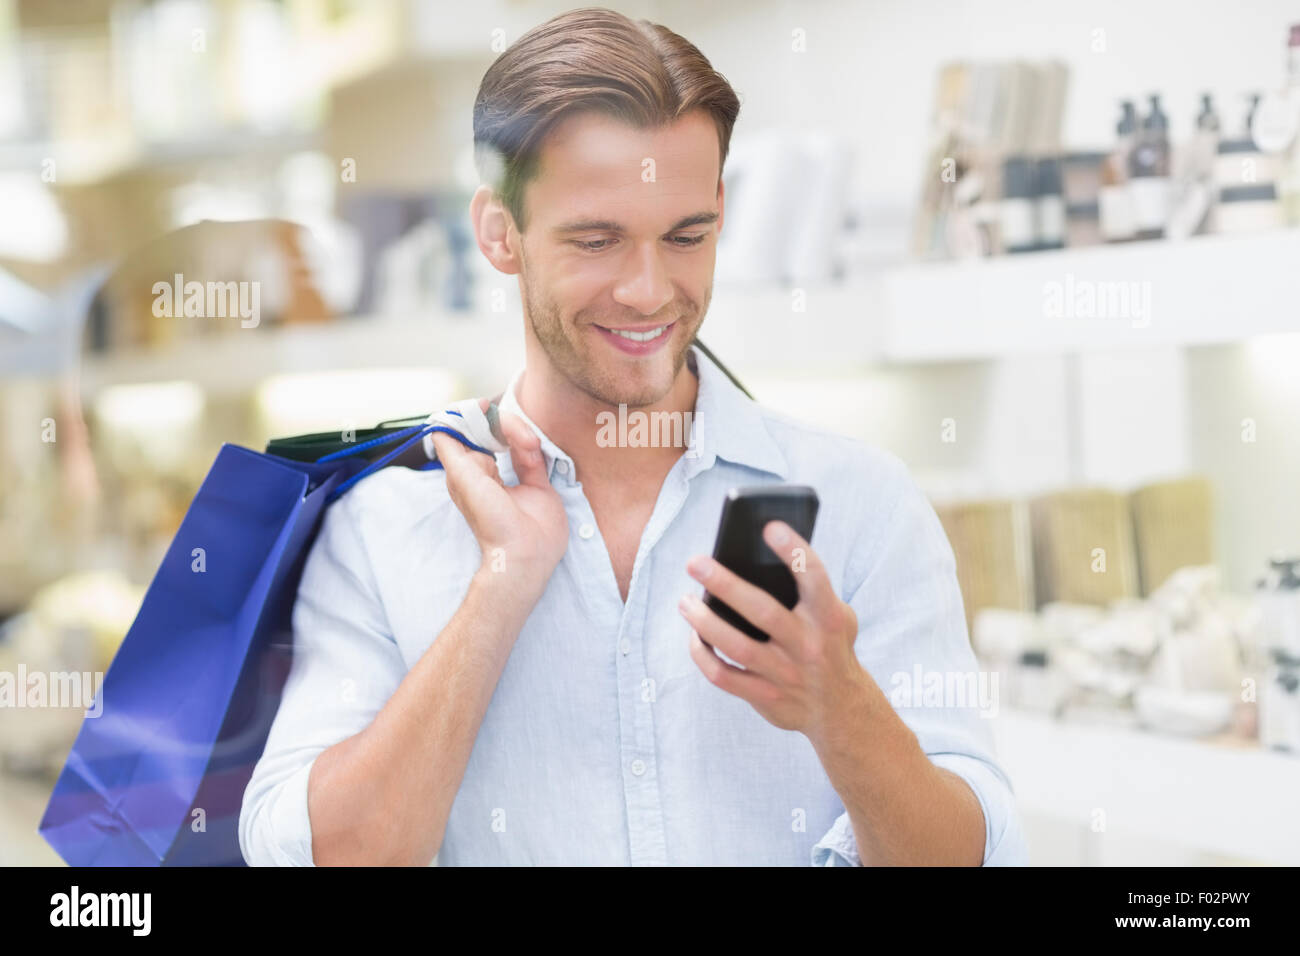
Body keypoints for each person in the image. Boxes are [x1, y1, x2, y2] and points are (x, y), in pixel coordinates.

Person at [239, 6, 1027, 866]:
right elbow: (331, 856)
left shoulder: (864, 506)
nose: (650, 291)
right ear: (499, 231)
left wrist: (842, 710)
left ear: (721, 211)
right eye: (597, 240)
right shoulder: (385, 526)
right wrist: (499, 588)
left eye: (686, 236)